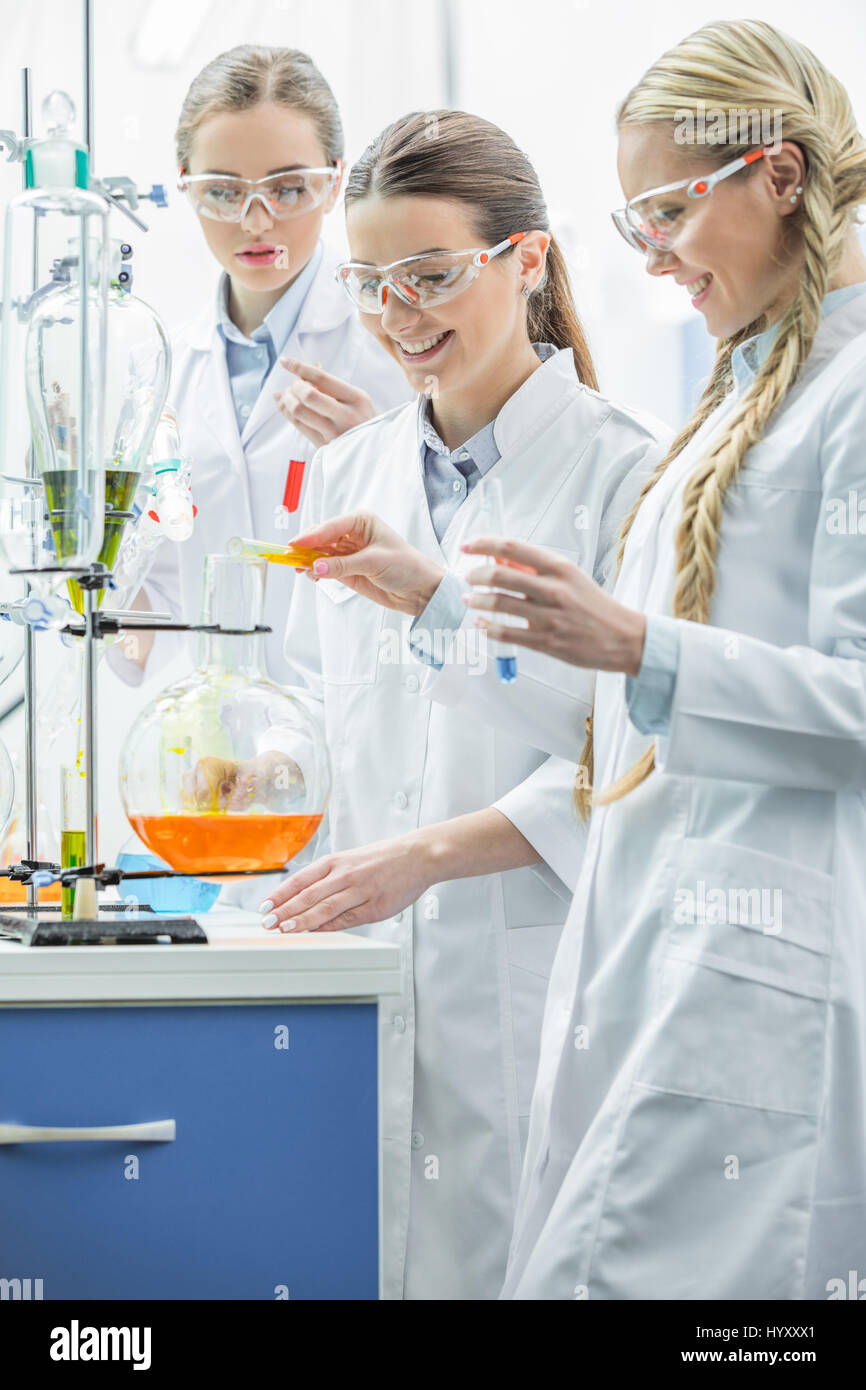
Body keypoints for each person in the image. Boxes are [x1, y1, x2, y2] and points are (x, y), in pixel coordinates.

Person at [280, 20, 866, 1299]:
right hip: (607, 968)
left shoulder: (735, 426)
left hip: (691, 963)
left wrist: (631, 647)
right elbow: (608, 724)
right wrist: (433, 604)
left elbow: (658, 717)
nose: (398, 313)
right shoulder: (732, 403)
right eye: (371, 285)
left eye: (666, 206)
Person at [245, 108, 672, 1300]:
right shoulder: (347, 472)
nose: (397, 316)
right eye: (372, 281)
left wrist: (425, 855)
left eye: (429, 275)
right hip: (361, 966)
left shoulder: (627, 475)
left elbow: (635, 754)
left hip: (535, 971)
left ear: (523, 260)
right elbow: (313, 711)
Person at [109, 45, 408, 686]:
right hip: (211, 742)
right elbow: (158, 606)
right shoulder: (159, 369)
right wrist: (91, 566)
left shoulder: (396, 341)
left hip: (354, 730)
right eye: (224, 191)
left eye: (288, 188)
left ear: (333, 183)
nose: (256, 220)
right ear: (185, 184)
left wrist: (380, 466)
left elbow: (447, 566)